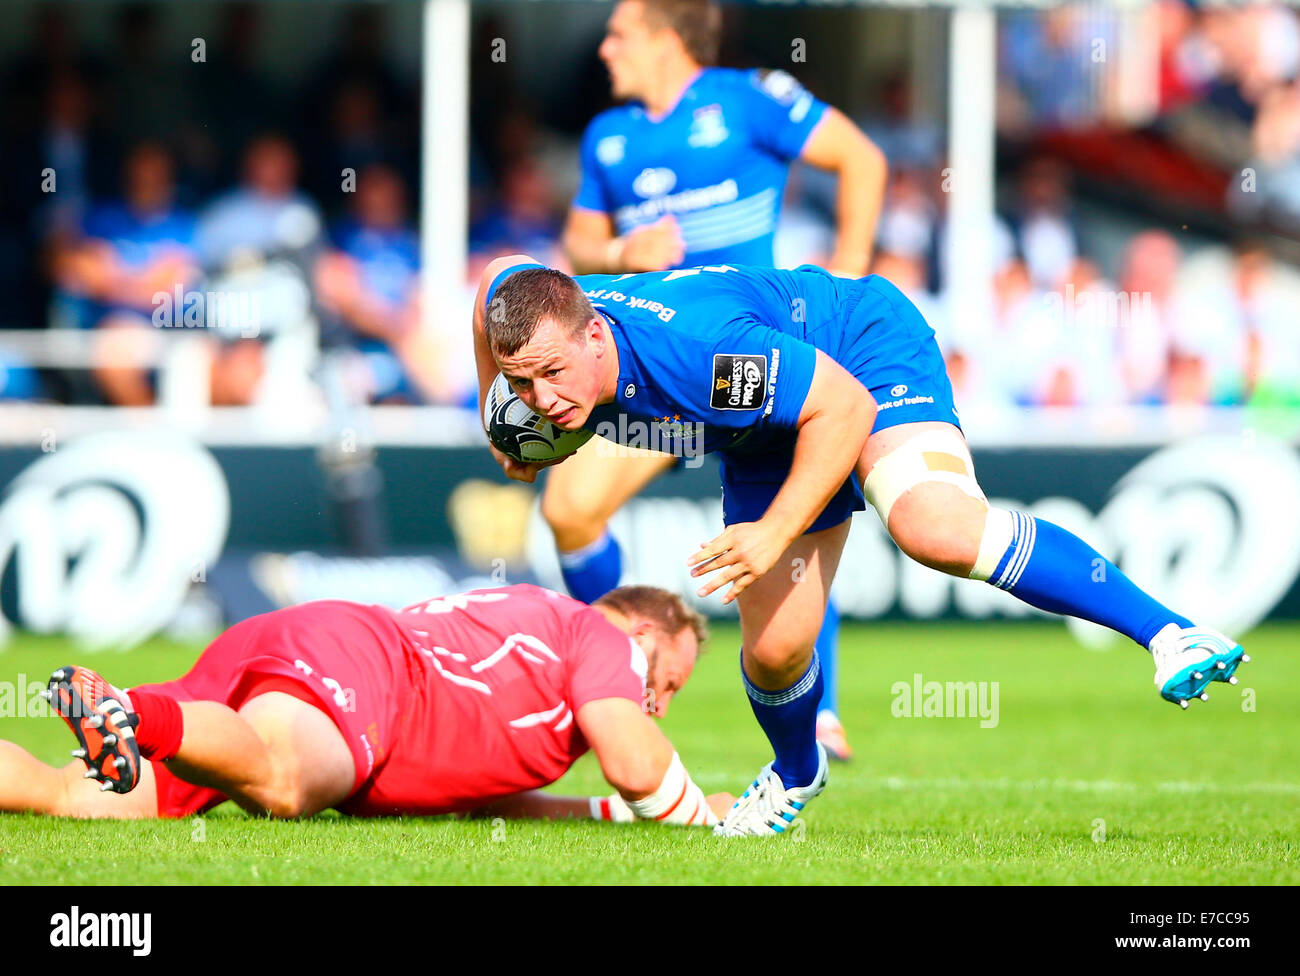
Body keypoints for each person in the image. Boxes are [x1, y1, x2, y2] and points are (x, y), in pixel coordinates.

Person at [472, 255, 1250, 837]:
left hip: (857, 353)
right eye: (522, 383)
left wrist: (772, 533)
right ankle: (795, 775)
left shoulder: (695, 352)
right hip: (762, 428)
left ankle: (1170, 633)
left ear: (596, 332)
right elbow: (492, 294)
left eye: (550, 374)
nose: (540, 399)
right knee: (776, 652)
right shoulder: (542, 338)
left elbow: (841, 409)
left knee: (932, 526)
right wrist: (492, 405)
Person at [543, 0, 888, 761]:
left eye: (619, 34)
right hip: (654, 379)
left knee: (791, 523)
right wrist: (622, 250)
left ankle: (818, 705)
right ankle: (611, 670)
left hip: (747, 370)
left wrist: (851, 279)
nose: (604, 49)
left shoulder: (747, 98)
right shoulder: (610, 136)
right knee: (569, 507)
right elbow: (578, 240)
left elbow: (860, 158)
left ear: (666, 39)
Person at [2, 584, 729, 828]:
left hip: (314, 650)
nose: (657, 703)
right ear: (641, 634)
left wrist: (604, 817)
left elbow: (485, 802)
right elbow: (637, 767)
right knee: (284, 787)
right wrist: (707, 818)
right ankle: (131, 711)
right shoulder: (601, 638)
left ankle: (129, 718)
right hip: (365, 667)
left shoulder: (545, 653)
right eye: (667, 680)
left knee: (70, 796)